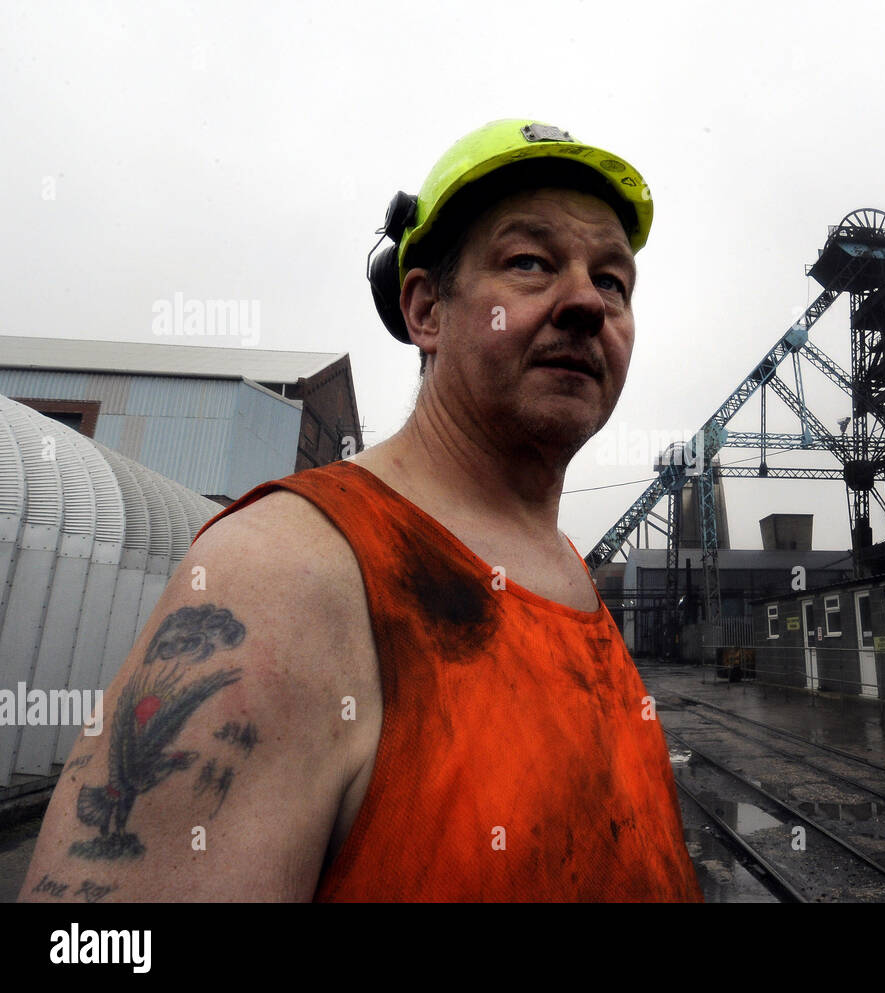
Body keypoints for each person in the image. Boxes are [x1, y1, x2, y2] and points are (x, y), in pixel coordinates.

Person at [21, 119, 703, 902]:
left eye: (613, 280)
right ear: (426, 311)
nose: (587, 301)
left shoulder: (569, 576)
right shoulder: (288, 572)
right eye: (529, 262)